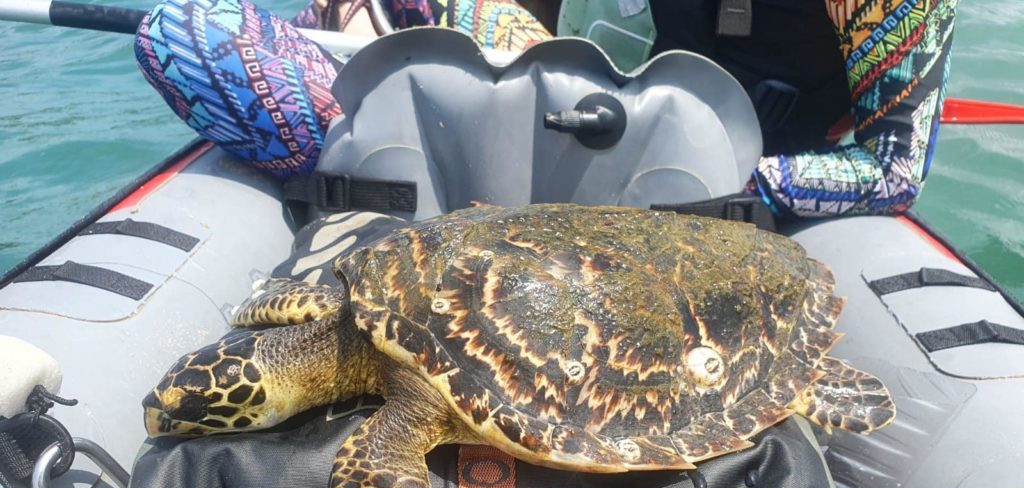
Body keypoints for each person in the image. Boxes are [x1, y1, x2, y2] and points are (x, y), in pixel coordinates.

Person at [134, 0, 957, 216]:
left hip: (709, 203)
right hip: (535, 158)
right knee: (183, 33)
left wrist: (711, 199)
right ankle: (369, 186)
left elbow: (892, 172)